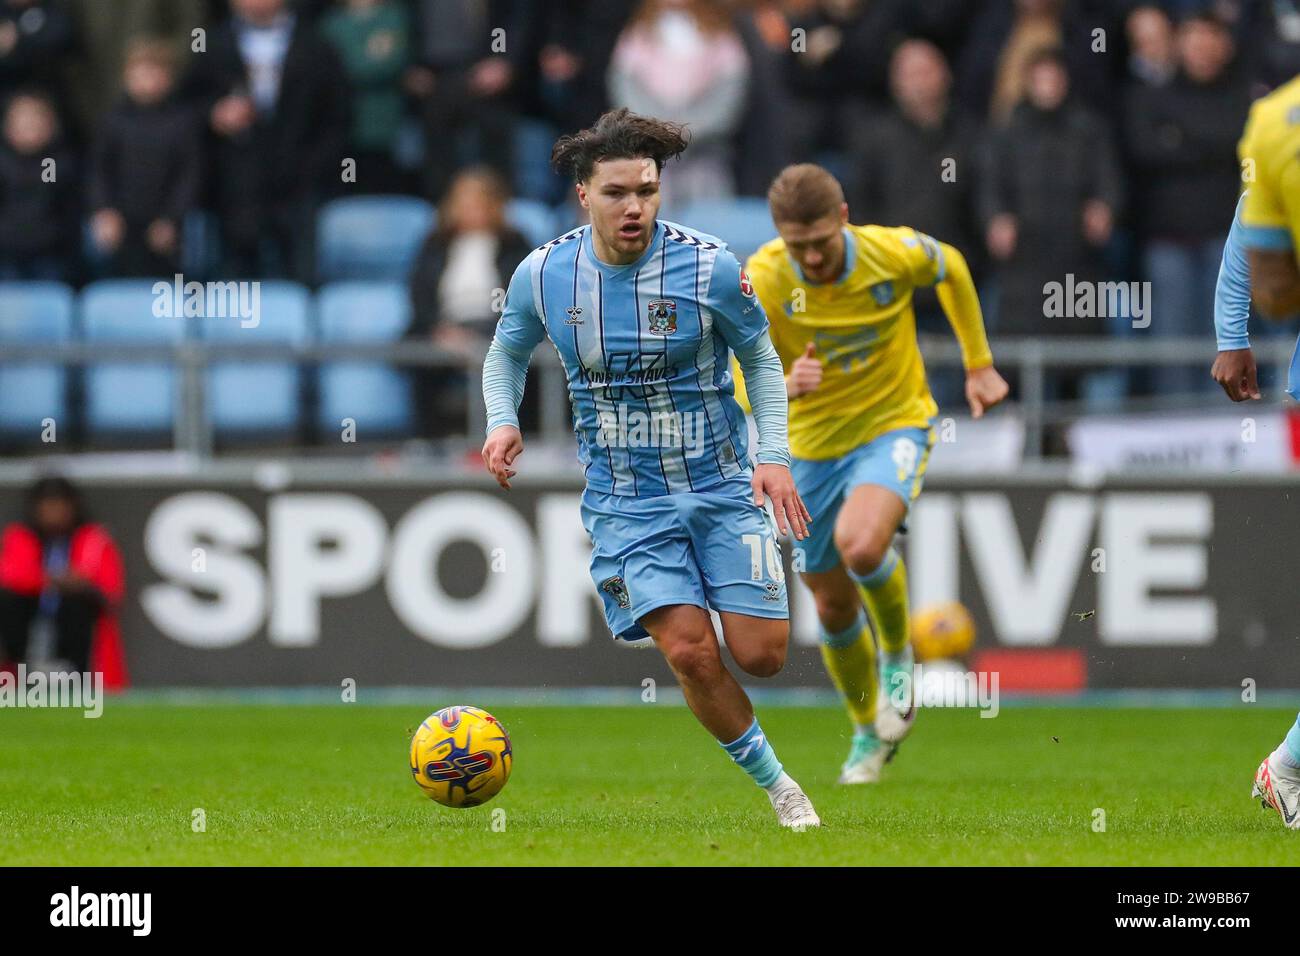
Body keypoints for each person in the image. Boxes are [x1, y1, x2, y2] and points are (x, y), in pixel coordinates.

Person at [480, 108, 820, 829]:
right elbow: (507, 350)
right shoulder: (544, 274)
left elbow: (760, 359)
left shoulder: (710, 266)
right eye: (616, 193)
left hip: (721, 484)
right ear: (584, 194)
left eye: (646, 190)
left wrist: (773, 456)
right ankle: (782, 788)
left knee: (761, 656)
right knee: (692, 652)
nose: (633, 206)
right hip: (626, 501)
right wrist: (502, 419)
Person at [737, 163, 1007, 783]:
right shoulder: (764, 278)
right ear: (779, 236)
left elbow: (952, 266)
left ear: (844, 217)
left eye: (820, 242)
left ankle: (897, 656)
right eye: (797, 245)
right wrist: (781, 384)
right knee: (830, 603)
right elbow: (732, 376)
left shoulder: (891, 253)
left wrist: (978, 363)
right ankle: (866, 733)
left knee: (861, 546)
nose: (811, 257)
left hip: (893, 423)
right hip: (809, 447)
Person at [1211, 70, 1300, 830]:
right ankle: (1290, 765)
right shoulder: (1279, 126)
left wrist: (1238, 333)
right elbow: (1250, 237)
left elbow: (1268, 271)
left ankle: (1290, 763)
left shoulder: (1274, 122)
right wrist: (1231, 332)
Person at [407, 167, 532, 439]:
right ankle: (429, 442)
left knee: (527, 355)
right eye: (464, 203)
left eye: (478, 203)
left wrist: (495, 334)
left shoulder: (515, 244)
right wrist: (441, 331)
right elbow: (420, 296)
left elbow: (524, 294)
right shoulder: (435, 244)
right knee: (420, 357)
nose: (470, 210)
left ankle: (520, 436)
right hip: (443, 329)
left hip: (498, 327)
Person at [88, 37, 202, 278]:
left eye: (154, 73)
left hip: (167, 226)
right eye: (139, 73)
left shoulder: (184, 121)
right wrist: (104, 210)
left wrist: (172, 218)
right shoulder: (113, 120)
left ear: (169, 78)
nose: (146, 81)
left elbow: (190, 174)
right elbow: (99, 169)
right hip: (121, 223)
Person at [0, 476, 127, 688]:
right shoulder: (19, 537)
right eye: (48, 505)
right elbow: (11, 576)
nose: (54, 512)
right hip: (30, 618)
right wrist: (56, 579)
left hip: (73, 624)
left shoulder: (94, 540)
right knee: (10, 601)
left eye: (60, 505)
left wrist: (82, 586)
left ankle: (77, 677)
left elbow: (111, 592)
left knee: (77, 602)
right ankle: (15, 673)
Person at [0, 88, 78, 280]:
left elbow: (47, 193)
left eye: (35, 119)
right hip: (6, 253)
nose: (29, 126)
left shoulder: (50, 162)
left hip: (48, 253)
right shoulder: (3, 162)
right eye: (22, 120)